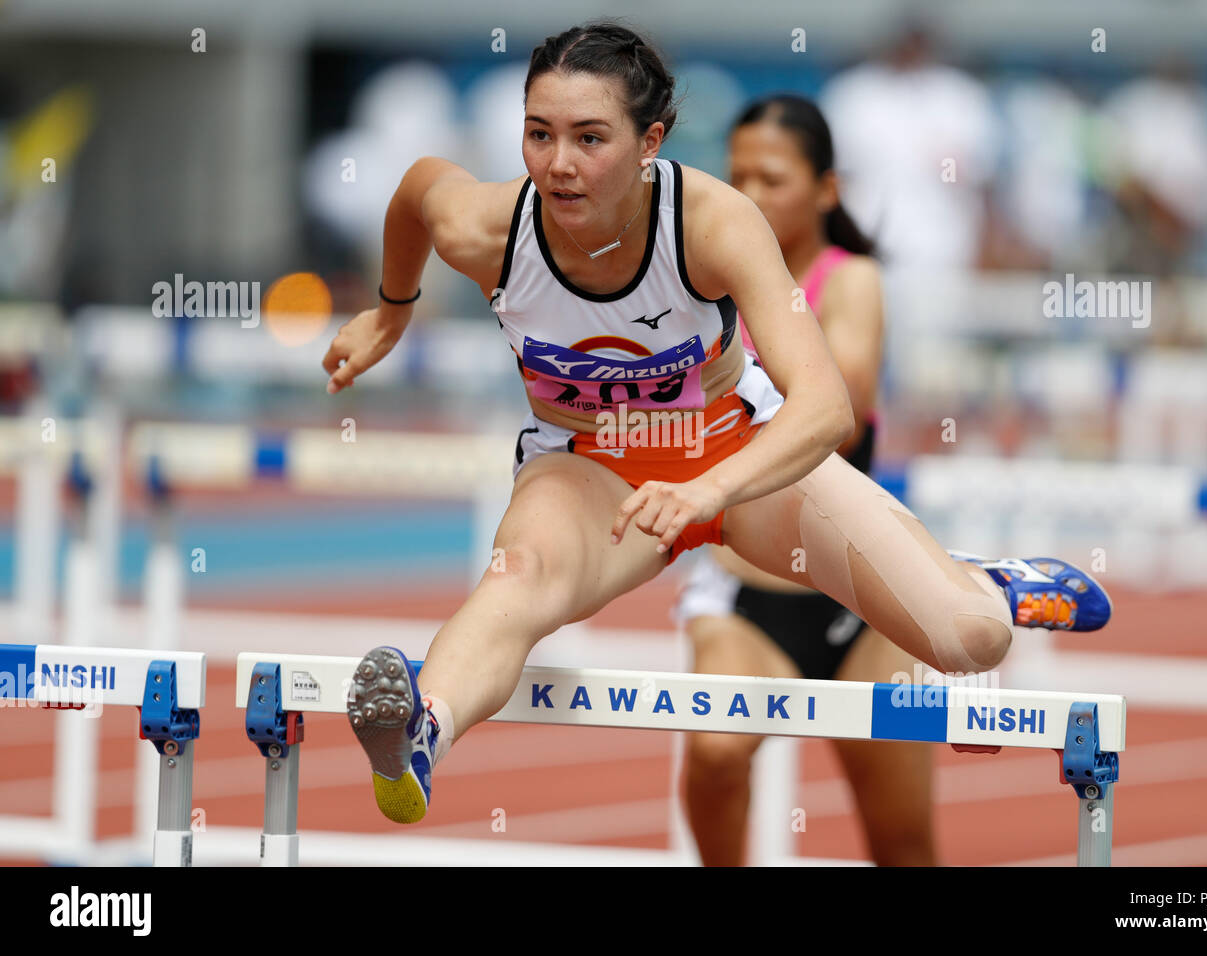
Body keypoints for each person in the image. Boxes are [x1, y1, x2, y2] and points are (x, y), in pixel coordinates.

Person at [320, 20, 1113, 826]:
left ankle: (986, 582)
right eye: (539, 134)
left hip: (739, 457)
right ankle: (421, 732)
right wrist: (390, 313)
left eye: (589, 138)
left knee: (969, 640)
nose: (559, 163)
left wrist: (706, 489)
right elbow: (419, 189)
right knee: (518, 575)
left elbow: (825, 405)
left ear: (648, 143)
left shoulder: (711, 221)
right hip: (590, 469)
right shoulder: (491, 228)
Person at [671, 93, 934, 866]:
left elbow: (841, 413)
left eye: (773, 178)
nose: (748, 194)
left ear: (825, 190)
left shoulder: (849, 281)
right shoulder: (700, 286)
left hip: (864, 602)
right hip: (747, 600)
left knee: (904, 846)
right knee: (716, 753)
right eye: (737, 175)